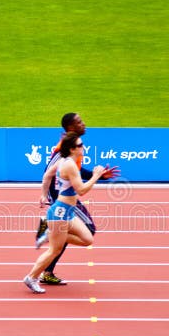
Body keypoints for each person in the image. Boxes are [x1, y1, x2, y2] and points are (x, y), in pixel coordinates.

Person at [34, 112, 119, 285]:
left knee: (79, 232)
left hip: (67, 195)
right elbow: (49, 172)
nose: (84, 123)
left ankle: (48, 269)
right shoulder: (64, 148)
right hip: (61, 197)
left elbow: (76, 171)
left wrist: (101, 175)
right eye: (80, 122)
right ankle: (49, 242)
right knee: (88, 229)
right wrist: (45, 195)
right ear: (71, 128)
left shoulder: (73, 145)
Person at [24, 132, 107, 293]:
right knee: (54, 250)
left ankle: (49, 233)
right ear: (72, 149)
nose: (83, 147)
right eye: (80, 145)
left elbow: (48, 175)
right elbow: (81, 190)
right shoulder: (69, 165)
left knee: (87, 239)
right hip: (60, 213)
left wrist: (43, 194)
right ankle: (31, 277)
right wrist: (96, 175)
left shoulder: (66, 161)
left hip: (67, 212)